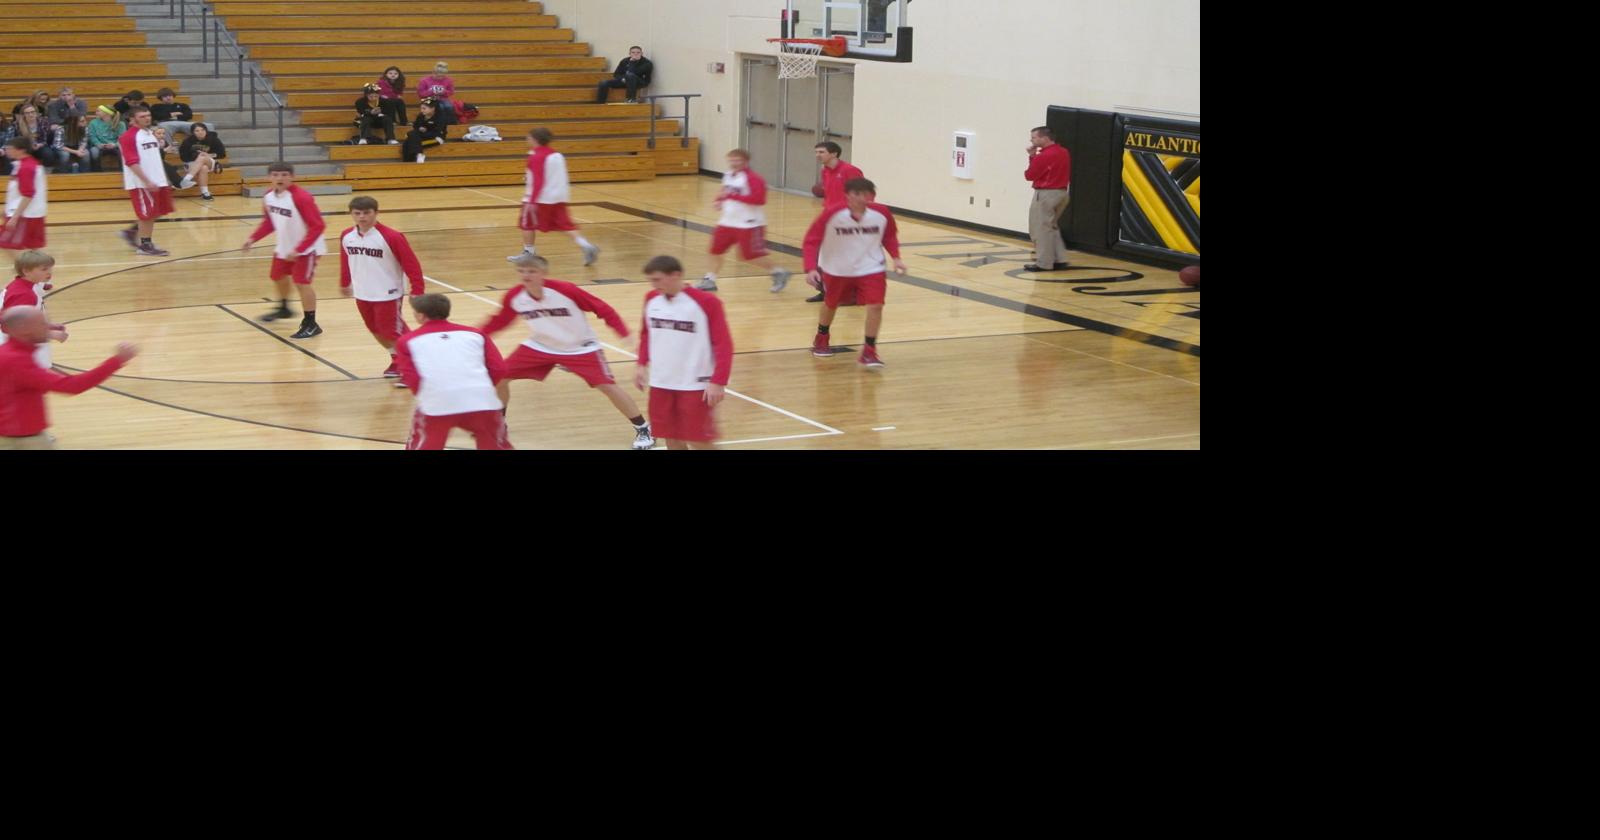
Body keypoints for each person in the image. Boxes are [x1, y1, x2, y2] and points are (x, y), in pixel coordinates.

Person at [480, 253, 655, 450]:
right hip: (541, 345)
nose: (526, 275)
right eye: (521, 271)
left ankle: (642, 428)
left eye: (531, 271)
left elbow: (603, 309)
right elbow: (500, 320)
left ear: (543, 273)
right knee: (500, 377)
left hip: (579, 347)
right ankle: (500, 423)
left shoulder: (565, 290)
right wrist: (476, 336)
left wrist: (623, 333)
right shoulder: (515, 296)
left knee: (607, 386)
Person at [0, 305, 137, 450]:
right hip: (22, 442)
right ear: (23, 329)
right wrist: (117, 361)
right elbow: (72, 386)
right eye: (42, 323)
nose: (47, 327)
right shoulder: (16, 361)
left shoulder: (8, 353)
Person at [801, 177, 904, 369]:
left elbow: (889, 236)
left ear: (871, 196)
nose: (861, 198)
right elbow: (811, 240)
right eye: (857, 194)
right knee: (831, 304)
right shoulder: (832, 214)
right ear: (847, 195)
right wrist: (810, 268)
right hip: (837, 268)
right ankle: (822, 336)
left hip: (871, 266)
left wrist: (896, 257)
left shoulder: (881, 213)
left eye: (866, 194)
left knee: (876, 306)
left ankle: (869, 350)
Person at [634, 255, 732, 451]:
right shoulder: (651, 299)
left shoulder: (707, 302)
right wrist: (641, 363)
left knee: (699, 440)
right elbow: (646, 334)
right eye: (651, 280)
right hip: (661, 382)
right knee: (671, 437)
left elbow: (724, 344)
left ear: (676, 275)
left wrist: (718, 381)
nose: (653, 285)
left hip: (695, 384)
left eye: (657, 280)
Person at [394, 293, 512, 450]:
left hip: (438, 402)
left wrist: (428, 396)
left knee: (426, 444)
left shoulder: (407, 341)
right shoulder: (476, 334)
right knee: (495, 444)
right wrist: (479, 387)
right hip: (483, 401)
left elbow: (412, 378)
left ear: (421, 316)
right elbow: (499, 368)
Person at [338, 195, 424, 380]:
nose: (362, 217)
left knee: (392, 330)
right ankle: (397, 358)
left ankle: (413, 364)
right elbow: (346, 260)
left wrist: (417, 290)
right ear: (351, 214)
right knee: (375, 329)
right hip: (362, 292)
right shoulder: (347, 236)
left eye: (367, 213)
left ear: (376, 213)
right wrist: (344, 282)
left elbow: (412, 264)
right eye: (357, 213)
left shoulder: (391, 236)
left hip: (388, 292)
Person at [241, 162, 328, 338]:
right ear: (269, 177)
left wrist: (300, 249)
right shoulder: (268, 196)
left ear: (292, 177)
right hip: (285, 246)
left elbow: (318, 226)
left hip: (307, 248)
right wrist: (253, 238)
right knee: (277, 276)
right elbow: (269, 222)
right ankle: (284, 308)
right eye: (275, 175)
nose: (279, 178)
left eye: (284, 175)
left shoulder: (301, 197)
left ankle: (311, 323)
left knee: (302, 283)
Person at [697, 148, 789, 292]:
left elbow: (759, 200)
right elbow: (724, 191)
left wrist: (733, 196)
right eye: (731, 160)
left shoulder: (754, 178)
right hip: (727, 222)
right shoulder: (728, 175)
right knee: (715, 250)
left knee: (749, 256)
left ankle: (778, 272)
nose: (734, 163)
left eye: (737, 160)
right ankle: (710, 279)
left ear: (746, 162)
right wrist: (718, 200)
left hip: (749, 223)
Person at [506, 127, 599, 266]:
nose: (527, 140)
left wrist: (532, 200)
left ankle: (528, 253)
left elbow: (539, 180)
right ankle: (586, 245)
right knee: (565, 225)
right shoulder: (557, 155)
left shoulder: (536, 156)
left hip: (539, 198)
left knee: (526, 224)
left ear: (535, 139)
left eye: (529, 137)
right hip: (558, 196)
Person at [808, 141, 864, 303]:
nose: (818, 155)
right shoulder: (824, 170)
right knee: (824, 256)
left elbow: (864, 193)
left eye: (821, 152)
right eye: (816, 152)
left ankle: (853, 295)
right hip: (830, 219)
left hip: (848, 219)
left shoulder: (850, 171)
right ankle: (824, 290)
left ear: (834, 154)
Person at [117, 105, 174, 257]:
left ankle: (132, 231)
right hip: (141, 182)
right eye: (142, 116)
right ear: (132, 119)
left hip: (158, 180)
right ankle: (145, 245)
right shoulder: (128, 137)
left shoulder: (149, 133)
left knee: (159, 211)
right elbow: (131, 162)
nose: (147, 118)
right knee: (147, 214)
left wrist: (162, 179)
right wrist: (146, 181)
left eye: (148, 115)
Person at [0, 249, 65, 371]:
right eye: (44, 269)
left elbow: (24, 319)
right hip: (16, 347)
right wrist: (51, 334)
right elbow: (11, 326)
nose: (49, 272)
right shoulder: (24, 295)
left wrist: (47, 325)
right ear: (26, 271)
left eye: (50, 268)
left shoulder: (24, 284)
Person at [1023, 125, 1072, 271]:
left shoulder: (1044, 155)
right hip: (1062, 193)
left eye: (1034, 137)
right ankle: (1060, 259)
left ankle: (1044, 263)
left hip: (1046, 194)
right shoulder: (1064, 152)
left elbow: (1029, 175)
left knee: (1041, 229)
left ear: (1044, 138)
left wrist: (1032, 156)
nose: (1031, 140)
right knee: (1051, 226)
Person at [2, 140, 48, 252]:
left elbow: (28, 194)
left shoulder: (26, 167)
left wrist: (15, 217)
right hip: (30, 212)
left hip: (25, 214)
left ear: (21, 150)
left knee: (6, 243)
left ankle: (23, 268)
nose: (6, 151)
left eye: (9, 148)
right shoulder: (28, 164)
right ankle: (34, 267)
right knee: (33, 247)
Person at [177, 123, 225, 201]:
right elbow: (183, 158)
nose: (201, 132)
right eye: (197, 131)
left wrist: (208, 155)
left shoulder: (213, 139)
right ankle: (205, 193)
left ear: (206, 130)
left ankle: (186, 179)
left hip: (209, 161)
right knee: (203, 168)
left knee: (203, 157)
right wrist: (196, 156)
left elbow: (222, 154)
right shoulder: (187, 141)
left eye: (203, 130)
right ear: (193, 133)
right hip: (192, 163)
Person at [400, 97, 447, 163]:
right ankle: (409, 161)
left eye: (424, 108)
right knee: (407, 142)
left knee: (410, 138)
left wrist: (421, 133)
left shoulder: (440, 118)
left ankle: (418, 155)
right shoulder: (421, 116)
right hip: (422, 136)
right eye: (421, 108)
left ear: (433, 109)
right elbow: (415, 125)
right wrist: (419, 128)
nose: (422, 110)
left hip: (436, 138)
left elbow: (436, 132)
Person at [86, 105, 122, 172]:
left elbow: (122, 139)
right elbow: (92, 136)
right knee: (94, 152)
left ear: (106, 113)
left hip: (115, 145)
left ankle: (122, 171)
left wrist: (115, 144)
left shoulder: (120, 124)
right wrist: (98, 144)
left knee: (123, 151)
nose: (96, 113)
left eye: (98, 111)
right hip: (99, 145)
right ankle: (97, 172)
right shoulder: (93, 123)